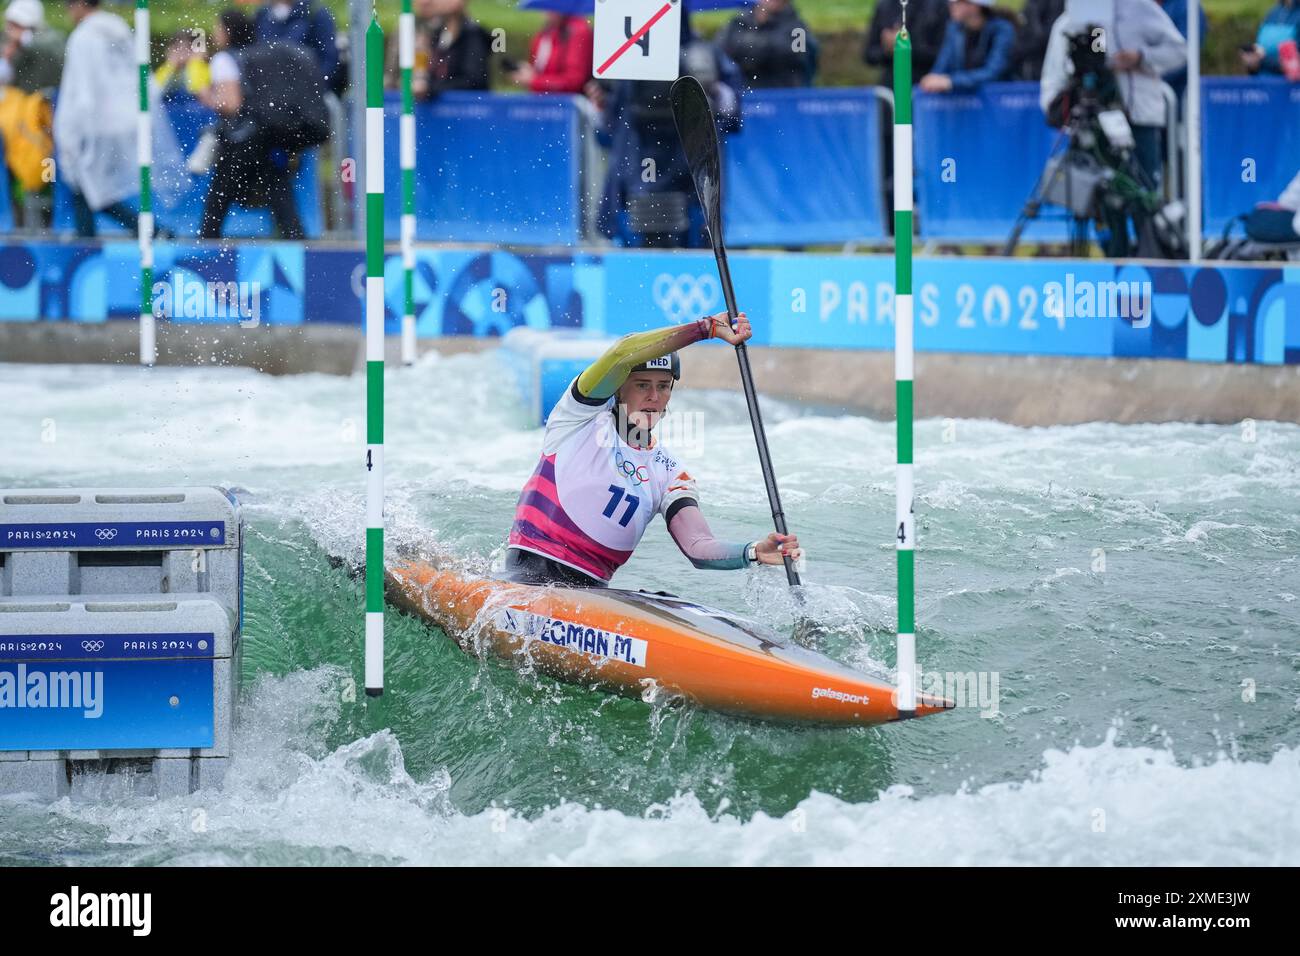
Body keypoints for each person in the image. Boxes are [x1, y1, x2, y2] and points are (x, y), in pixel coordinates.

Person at [504, 311, 801, 588]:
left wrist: (752, 552)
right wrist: (705, 328)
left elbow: (698, 546)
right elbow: (622, 353)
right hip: (527, 577)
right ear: (619, 388)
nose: (654, 397)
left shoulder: (670, 472)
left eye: (664, 386)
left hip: (592, 595)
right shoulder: (578, 416)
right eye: (642, 385)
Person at [595, 15, 742, 247]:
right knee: (677, 237)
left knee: (669, 237)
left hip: (658, 163)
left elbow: (609, 125)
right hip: (674, 160)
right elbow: (730, 112)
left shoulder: (635, 56)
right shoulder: (702, 54)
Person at [1039, 0, 1186, 189]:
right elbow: (1058, 71)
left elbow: (1180, 51)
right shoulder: (1072, 19)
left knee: (1145, 188)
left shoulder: (1140, 8)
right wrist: (1056, 106)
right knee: (1104, 192)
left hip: (1139, 116)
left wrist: (1141, 57)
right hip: (1097, 120)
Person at [198, 9, 313, 240]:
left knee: (219, 194)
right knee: (277, 188)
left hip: (241, 138)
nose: (214, 33)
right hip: (268, 132)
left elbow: (231, 103)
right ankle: (298, 244)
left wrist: (204, 94)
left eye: (218, 28)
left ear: (228, 32)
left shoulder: (224, 59)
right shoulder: (259, 53)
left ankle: (206, 246)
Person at [53, 0, 143, 237]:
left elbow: (82, 92)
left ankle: (147, 230)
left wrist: (70, 135)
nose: (67, 9)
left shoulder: (83, 38)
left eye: (70, 4)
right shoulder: (118, 30)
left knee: (91, 191)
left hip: (91, 127)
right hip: (118, 124)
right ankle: (147, 229)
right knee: (93, 191)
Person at [920, 0, 1019, 93]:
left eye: (957, 2)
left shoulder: (1003, 30)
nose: (950, 5)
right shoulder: (954, 29)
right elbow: (941, 65)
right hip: (965, 105)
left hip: (997, 102)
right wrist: (933, 78)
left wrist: (951, 81)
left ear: (974, 6)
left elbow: (993, 72)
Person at [716, 0, 817, 90]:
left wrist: (752, 49)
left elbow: (799, 56)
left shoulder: (797, 26)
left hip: (783, 97)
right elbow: (720, 53)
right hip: (743, 96)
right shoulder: (738, 23)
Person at [252, 0, 338, 89]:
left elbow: (328, 58)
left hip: (306, 90)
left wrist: (313, 88)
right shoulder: (262, 15)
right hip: (269, 90)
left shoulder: (314, 12)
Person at [414, 0, 490, 98]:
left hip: (468, 107)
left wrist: (430, 88)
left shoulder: (473, 34)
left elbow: (474, 80)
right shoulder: (436, 33)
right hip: (441, 107)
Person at [864, 0, 948, 81]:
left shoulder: (939, 5)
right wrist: (886, 50)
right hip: (891, 81)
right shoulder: (885, 4)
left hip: (926, 83)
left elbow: (944, 56)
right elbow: (869, 55)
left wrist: (904, 47)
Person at [510, 12, 591, 95]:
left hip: (565, 102)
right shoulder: (547, 31)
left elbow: (574, 81)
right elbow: (542, 67)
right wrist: (529, 72)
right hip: (544, 99)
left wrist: (534, 81)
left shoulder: (578, 31)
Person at [0, 0, 62, 93]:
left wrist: (23, 39)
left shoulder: (49, 39)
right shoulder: (8, 42)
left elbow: (49, 49)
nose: (11, 29)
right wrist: (7, 59)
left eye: (16, 25)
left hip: (42, 101)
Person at [1240, 1, 1300, 77]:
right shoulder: (1273, 13)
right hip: (1264, 83)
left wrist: (1264, 60)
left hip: (1291, 86)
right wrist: (1253, 62)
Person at [154, 28, 211, 99]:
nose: (181, 52)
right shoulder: (166, 69)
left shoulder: (203, 69)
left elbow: (200, 93)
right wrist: (171, 66)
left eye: (187, 48)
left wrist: (195, 63)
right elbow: (154, 93)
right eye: (177, 48)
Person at [1015, 0, 1064, 80]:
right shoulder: (1030, 4)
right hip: (1030, 64)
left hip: (1045, 63)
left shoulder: (1055, 4)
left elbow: (1043, 36)